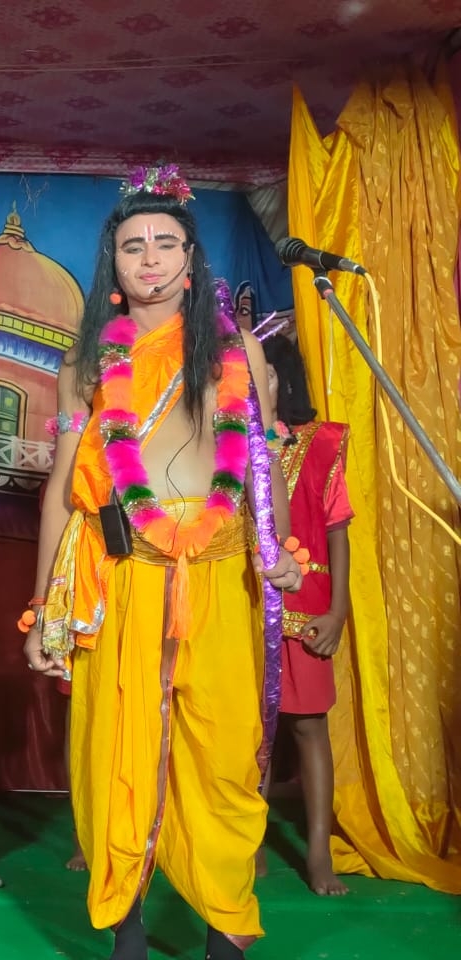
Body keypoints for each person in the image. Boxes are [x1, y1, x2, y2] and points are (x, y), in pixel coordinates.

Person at [24, 165, 305, 960]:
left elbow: (260, 462)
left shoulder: (234, 349)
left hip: (218, 569)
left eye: (164, 244)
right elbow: (60, 495)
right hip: (126, 578)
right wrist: (46, 608)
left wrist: (280, 552)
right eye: (132, 247)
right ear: (111, 264)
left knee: (218, 753)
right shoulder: (83, 367)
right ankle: (128, 932)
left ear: (192, 257)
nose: (149, 260)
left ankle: (224, 928)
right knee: (119, 751)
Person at [260, 335, 352, 897]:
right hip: (251, 606)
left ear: (284, 378)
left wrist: (339, 610)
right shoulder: (235, 444)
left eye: (264, 375)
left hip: (310, 607)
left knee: (309, 727)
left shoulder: (322, 443)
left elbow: (339, 530)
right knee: (255, 734)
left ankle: (318, 853)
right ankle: (249, 843)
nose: (254, 384)